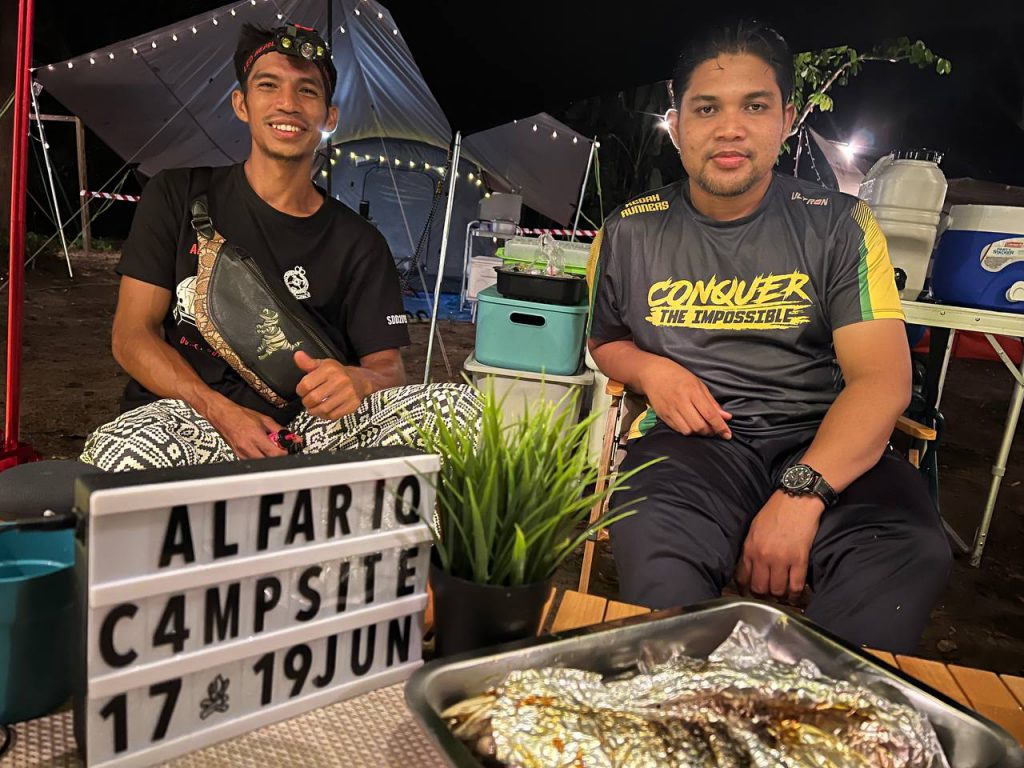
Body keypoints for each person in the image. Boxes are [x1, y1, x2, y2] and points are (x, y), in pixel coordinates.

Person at [587, 20, 951, 653]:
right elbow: (607, 340)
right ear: (677, 125)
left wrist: (801, 493)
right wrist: (654, 373)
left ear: (786, 120)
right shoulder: (627, 232)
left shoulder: (839, 225)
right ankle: (690, 708)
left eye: (754, 106)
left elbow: (882, 380)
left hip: (826, 440)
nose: (730, 128)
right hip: (695, 447)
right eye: (707, 108)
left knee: (907, 549)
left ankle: (814, 717)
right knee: (652, 530)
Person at [80, 22, 479, 472]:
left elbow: (388, 370)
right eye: (268, 85)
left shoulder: (361, 243)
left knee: (462, 411)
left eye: (307, 91)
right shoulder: (178, 194)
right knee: (120, 451)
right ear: (241, 104)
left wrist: (356, 381)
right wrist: (218, 411)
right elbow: (131, 336)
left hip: (309, 431)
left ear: (329, 118)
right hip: (189, 415)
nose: (288, 103)